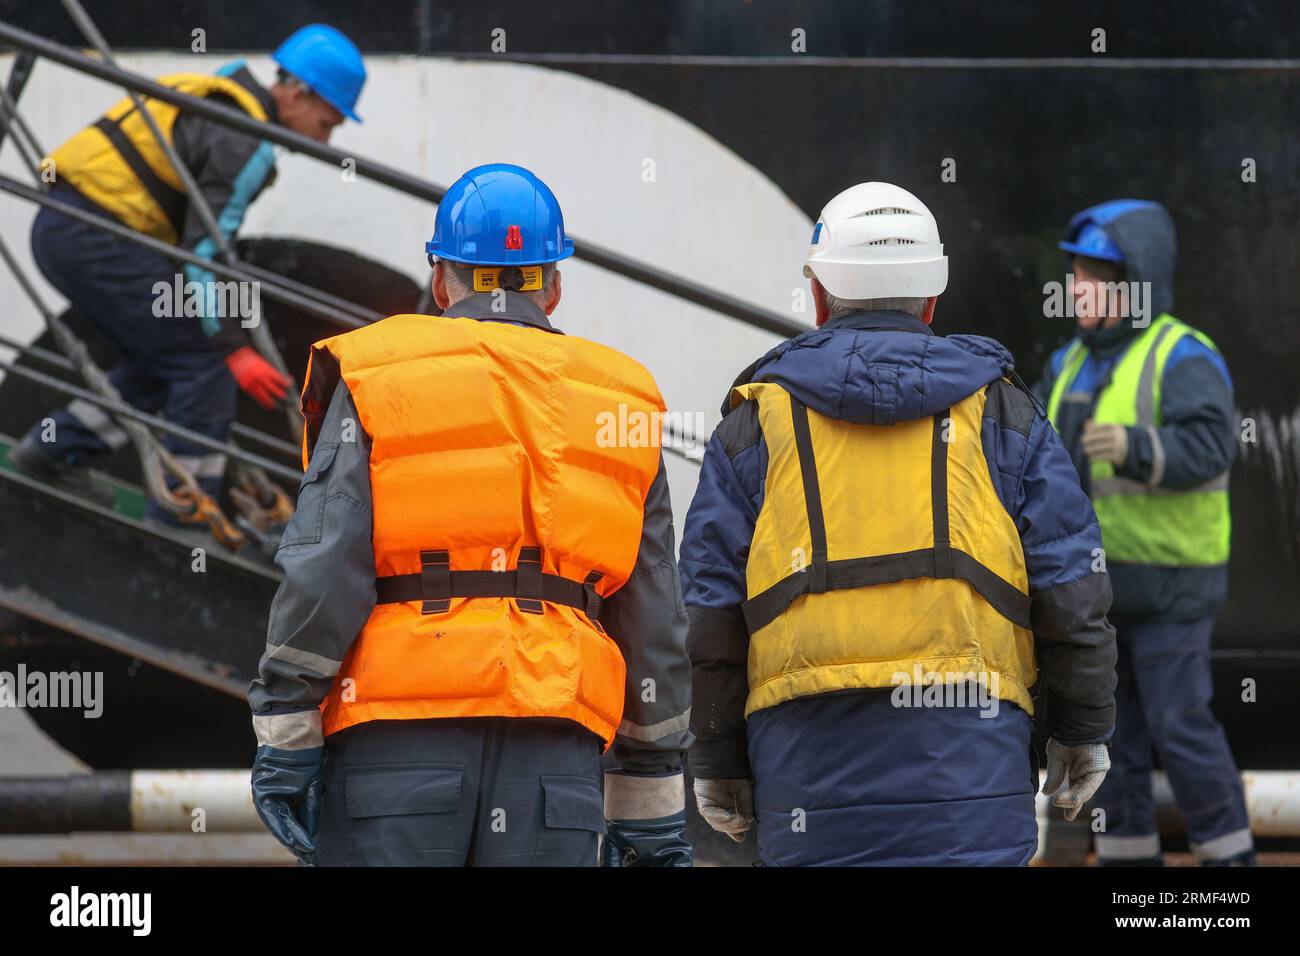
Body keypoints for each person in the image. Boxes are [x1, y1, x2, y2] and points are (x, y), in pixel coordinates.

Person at [248, 164, 693, 867]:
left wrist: (286, 733)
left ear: (440, 278)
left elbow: (325, 564)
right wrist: (653, 790)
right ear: (552, 284)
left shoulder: (374, 373)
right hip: (556, 750)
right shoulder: (624, 400)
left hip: (397, 744)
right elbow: (654, 607)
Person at [680, 182, 1117, 866]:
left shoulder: (753, 425)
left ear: (820, 298)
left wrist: (716, 754)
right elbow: (1071, 587)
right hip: (971, 763)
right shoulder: (1005, 415)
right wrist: (1082, 726)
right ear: (932, 301)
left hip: (804, 770)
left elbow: (711, 612)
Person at [10, 24, 366, 521]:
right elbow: (203, 255)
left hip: (69, 228)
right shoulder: (246, 143)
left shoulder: (222, 107)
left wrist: (231, 334)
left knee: (166, 363)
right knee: (204, 365)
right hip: (95, 236)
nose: (325, 141)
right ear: (297, 93)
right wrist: (235, 350)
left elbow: (202, 256)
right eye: (326, 122)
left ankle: (52, 451)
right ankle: (183, 519)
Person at [1034, 199, 1253, 866]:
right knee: (1111, 742)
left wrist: (1135, 446)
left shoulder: (1182, 355)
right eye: (1074, 275)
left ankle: (1232, 864)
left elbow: (1214, 448)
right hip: (1096, 598)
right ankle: (1131, 873)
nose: (1076, 289)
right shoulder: (1065, 362)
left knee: (1180, 729)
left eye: (1093, 276)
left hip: (1172, 589)